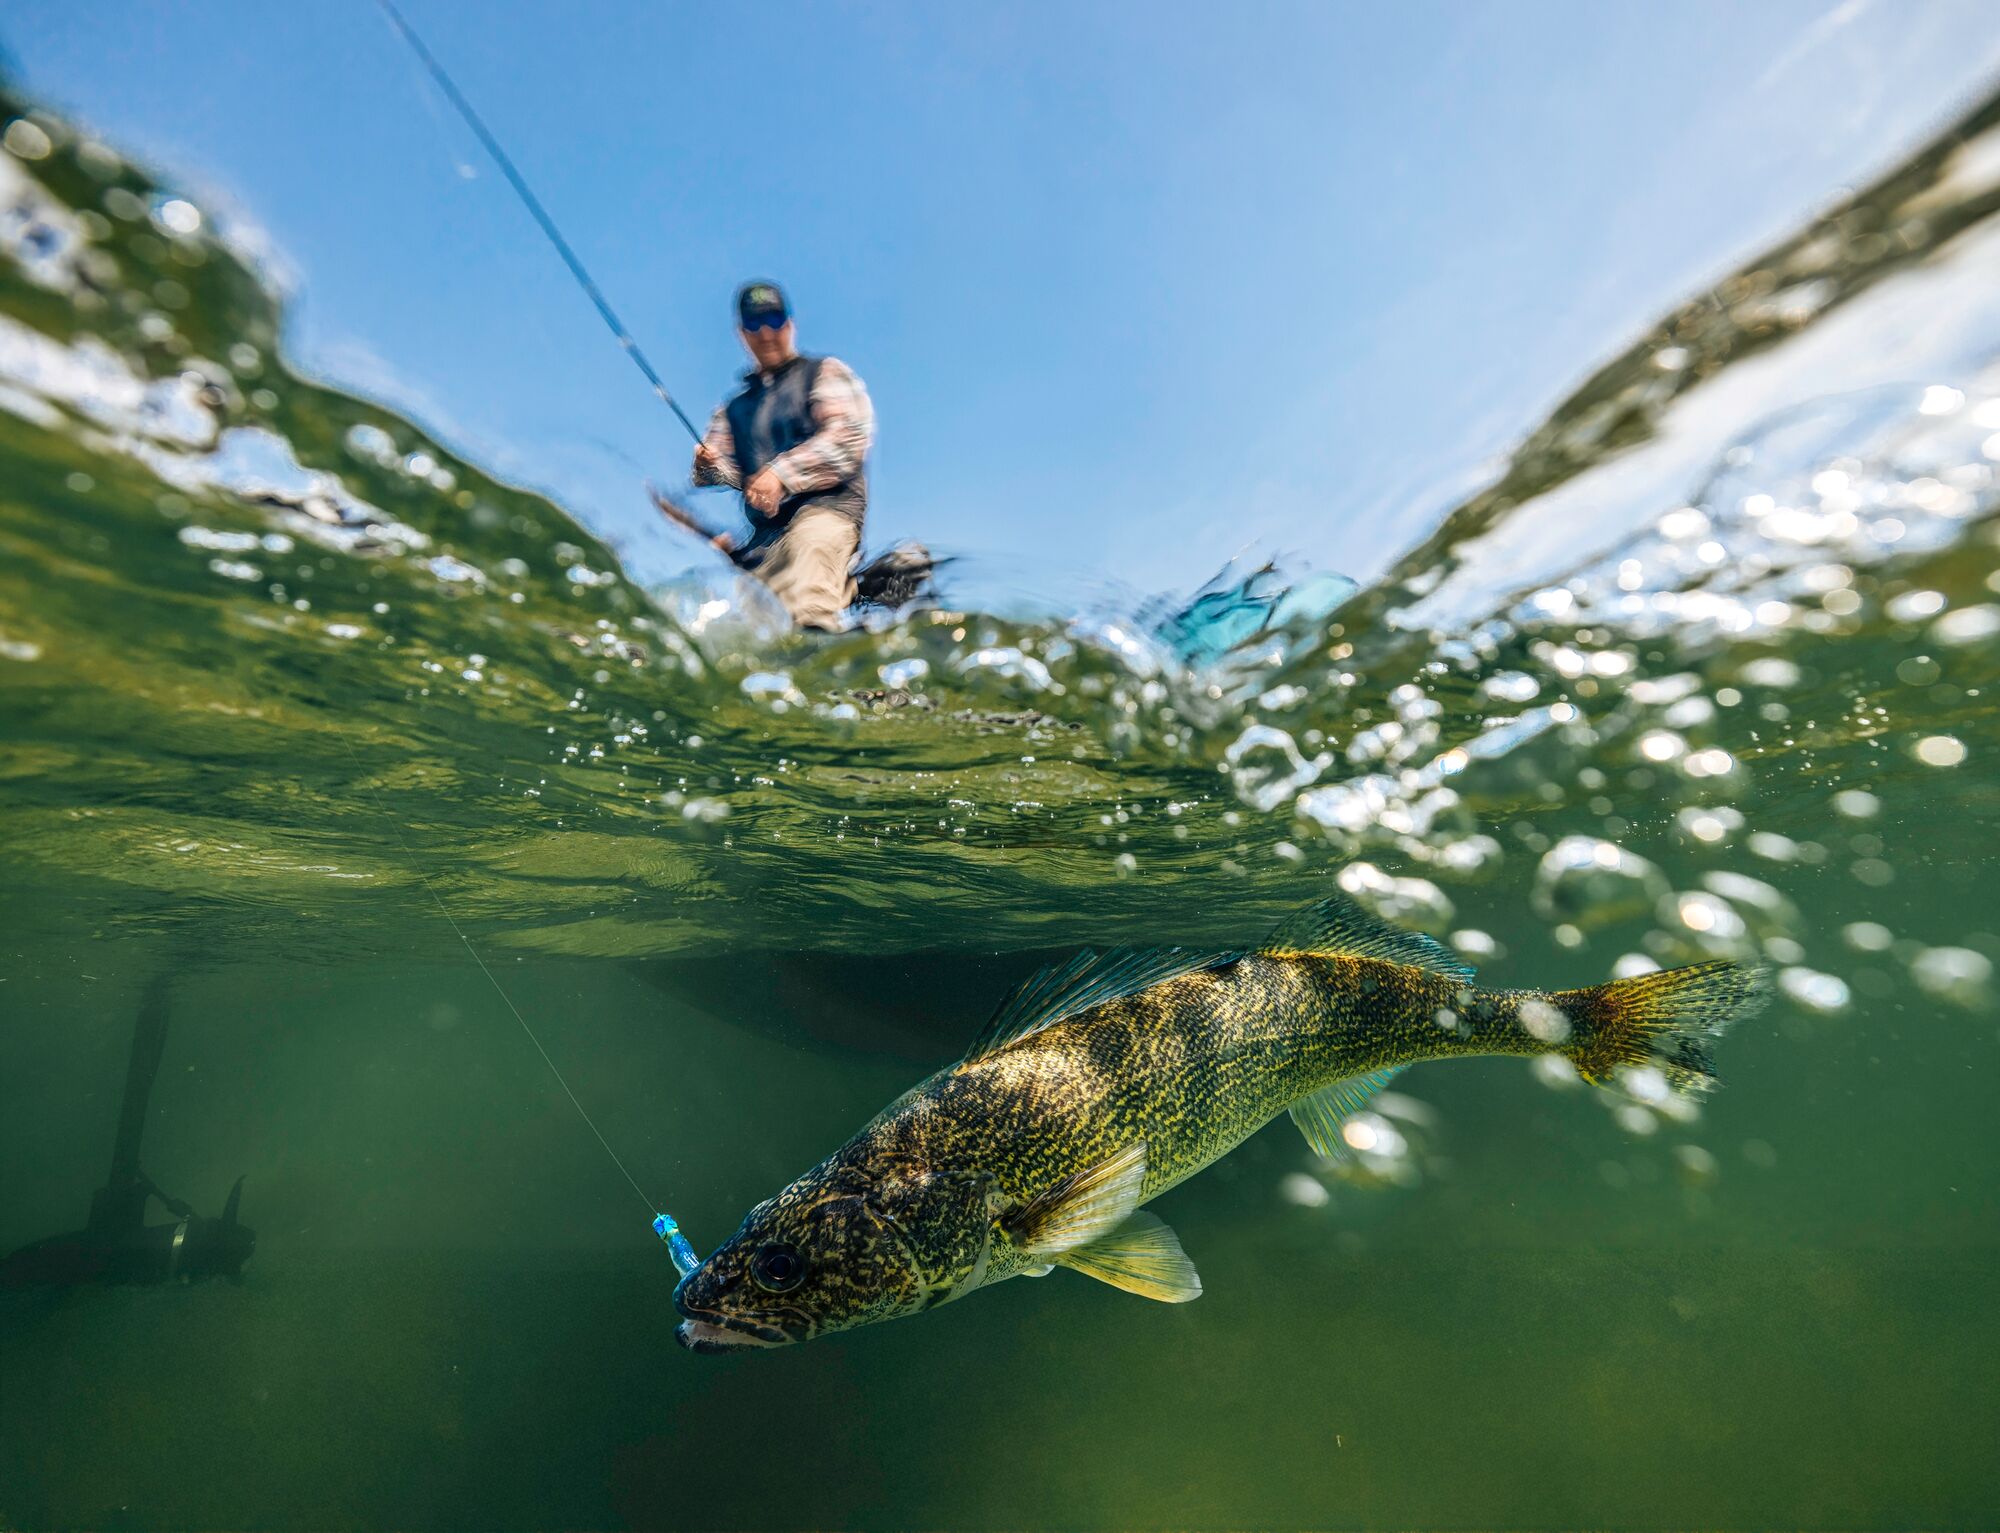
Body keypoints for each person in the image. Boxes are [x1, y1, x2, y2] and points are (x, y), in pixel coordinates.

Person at [690, 281, 875, 629]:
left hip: (824, 515)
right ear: (742, 333)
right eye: (754, 323)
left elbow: (849, 436)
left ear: (790, 324)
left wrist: (781, 474)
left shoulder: (824, 372)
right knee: (757, 635)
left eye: (773, 320)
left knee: (811, 607)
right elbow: (716, 474)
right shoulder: (732, 409)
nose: (765, 333)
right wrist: (706, 465)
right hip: (763, 544)